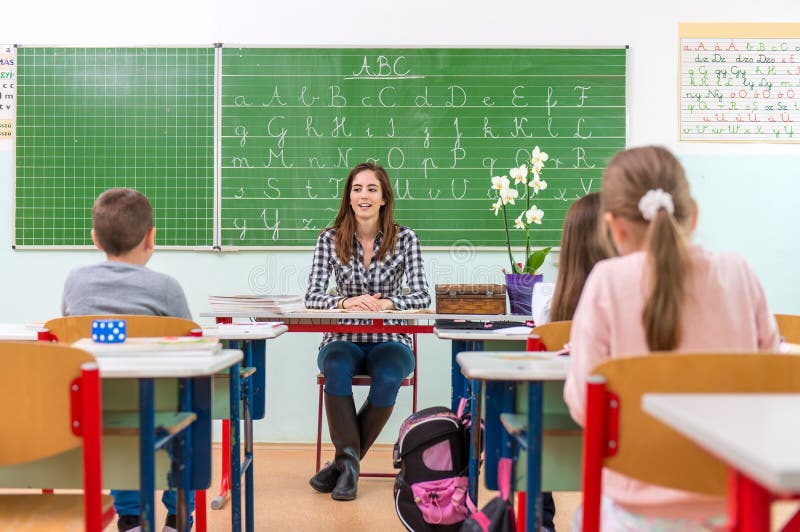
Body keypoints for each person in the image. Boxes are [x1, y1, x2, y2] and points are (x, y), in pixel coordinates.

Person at [563, 146, 780, 530]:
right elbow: (771, 383)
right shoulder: (739, 273)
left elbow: (584, 406)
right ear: (692, 214)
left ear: (614, 227)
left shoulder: (607, 282)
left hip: (629, 515)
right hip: (730, 507)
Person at [61, 188, 194, 532]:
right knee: (188, 420)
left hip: (98, 406)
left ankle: (132, 518)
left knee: (120, 425)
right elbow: (190, 345)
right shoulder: (166, 287)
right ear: (151, 237)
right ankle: (178, 517)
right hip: (159, 406)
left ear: (95, 238)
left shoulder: (76, 282)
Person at [304, 162, 431, 501]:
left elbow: (422, 296)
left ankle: (342, 467)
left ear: (384, 198)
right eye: (357, 189)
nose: (364, 195)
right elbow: (312, 296)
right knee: (335, 367)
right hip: (342, 337)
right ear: (348, 197)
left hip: (390, 339)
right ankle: (349, 467)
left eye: (372, 189)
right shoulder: (329, 239)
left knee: (389, 376)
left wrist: (388, 303)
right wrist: (345, 302)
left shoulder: (406, 239)